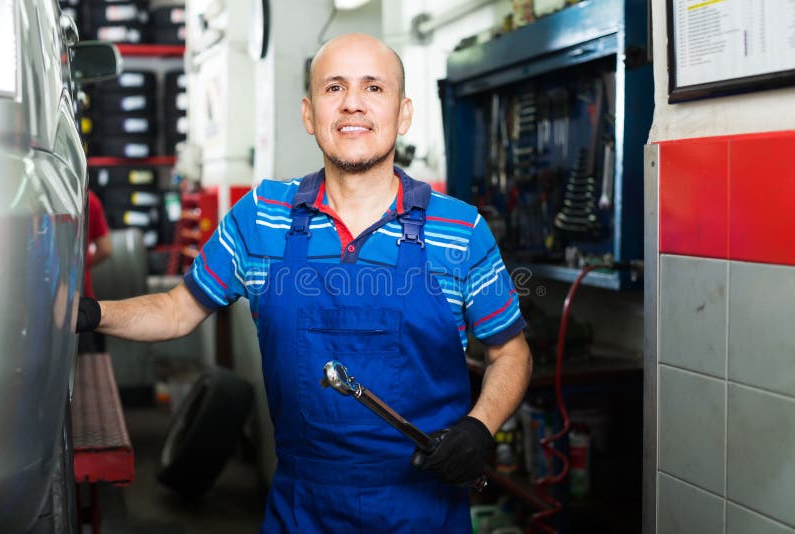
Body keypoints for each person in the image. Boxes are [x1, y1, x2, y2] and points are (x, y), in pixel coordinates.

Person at [77, 33, 532, 532]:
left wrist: (478, 428)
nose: (353, 104)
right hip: (302, 510)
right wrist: (91, 314)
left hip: (423, 509)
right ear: (309, 114)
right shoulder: (261, 217)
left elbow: (510, 354)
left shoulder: (460, 230)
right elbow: (177, 309)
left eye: (373, 88)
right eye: (334, 88)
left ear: (403, 114)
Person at [78, 190, 112, 353]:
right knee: (84, 364)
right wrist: (80, 266)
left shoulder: (38, 199)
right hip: (81, 300)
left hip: (40, 304)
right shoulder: (89, 200)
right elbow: (105, 249)